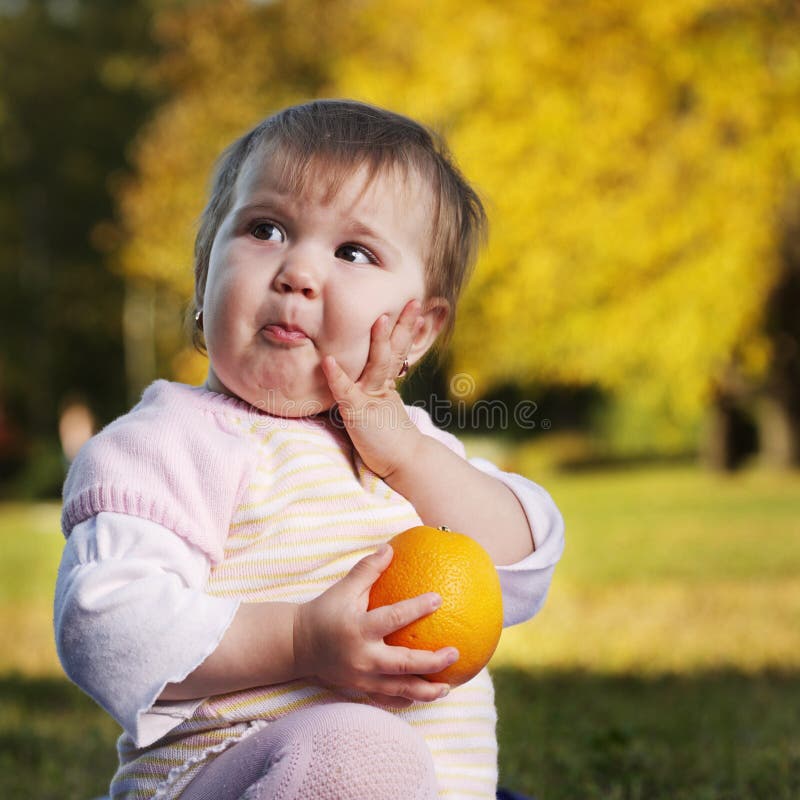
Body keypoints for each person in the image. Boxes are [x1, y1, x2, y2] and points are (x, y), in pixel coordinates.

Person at [55, 99, 564, 800]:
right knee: (360, 752)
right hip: (230, 775)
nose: (297, 270)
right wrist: (299, 641)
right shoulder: (167, 444)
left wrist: (408, 458)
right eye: (265, 229)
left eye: (353, 252)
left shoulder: (408, 456)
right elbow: (104, 623)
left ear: (417, 331)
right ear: (205, 277)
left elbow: (523, 567)